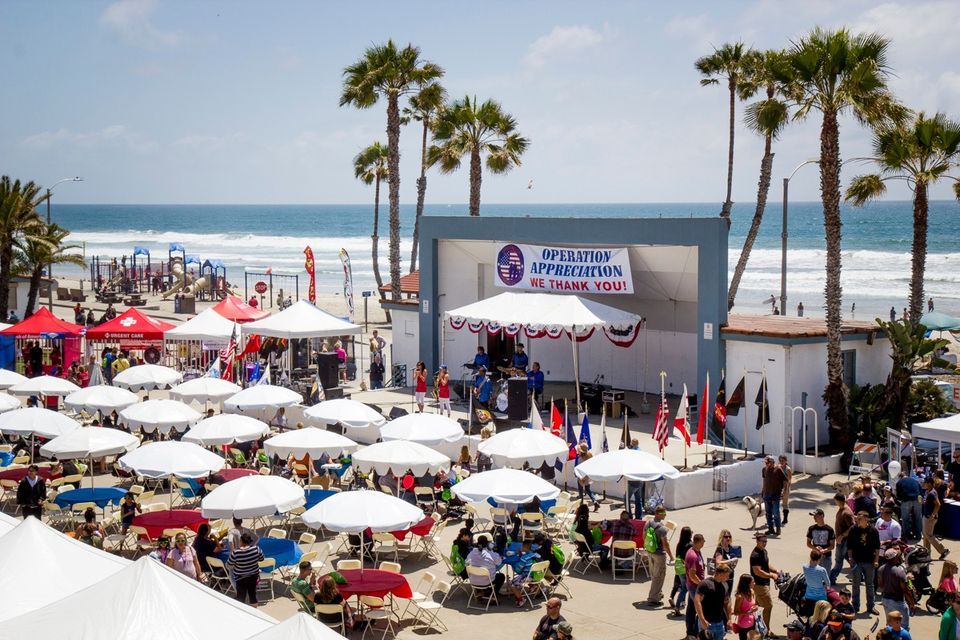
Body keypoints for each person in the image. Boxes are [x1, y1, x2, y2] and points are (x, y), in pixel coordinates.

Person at [848, 510, 882, 615]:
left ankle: (871, 607)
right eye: (857, 518)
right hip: (857, 561)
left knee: (870, 585)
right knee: (855, 585)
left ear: (866, 519)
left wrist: (876, 560)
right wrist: (850, 559)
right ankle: (855, 606)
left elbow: (877, 547)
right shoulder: (853, 529)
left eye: (860, 518)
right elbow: (849, 546)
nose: (858, 520)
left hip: (869, 562)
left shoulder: (873, 531)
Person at [750, 532, 778, 633]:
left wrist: (775, 571)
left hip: (765, 583)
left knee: (756, 606)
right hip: (759, 585)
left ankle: (754, 627)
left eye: (766, 541)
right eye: (762, 541)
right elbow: (757, 571)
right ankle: (767, 630)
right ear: (757, 541)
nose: (765, 543)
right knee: (768, 605)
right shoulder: (755, 555)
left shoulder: (763, 551)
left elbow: (766, 564)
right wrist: (771, 575)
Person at [878, 547, 912, 631]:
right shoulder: (899, 572)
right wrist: (912, 603)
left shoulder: (880, 569)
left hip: (885, 599)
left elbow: (880, 585)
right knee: (903, 626)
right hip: (897, 601)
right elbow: (905, 590)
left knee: (890, 624)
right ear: (895, 558)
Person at [695, 563, 731, 640]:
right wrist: (702, 620)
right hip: (707, 623)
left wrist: (729, 619)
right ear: (720, 574)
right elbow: (697, 602)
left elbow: (726, 603)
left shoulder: (725, 585)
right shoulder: (705, 584)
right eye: (726, 575)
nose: (728, 578)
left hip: (720, 623)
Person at [229, 532, 264, 607]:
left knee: (241, 598)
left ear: (241, 541)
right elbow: (262, 559)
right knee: (253, 596)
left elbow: (229, 564)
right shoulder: (256, 549)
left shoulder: (236, 552)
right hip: (253, 577)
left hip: (240, 578)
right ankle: (254, 612)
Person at [685, 533, 707, 639]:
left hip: (694, 586)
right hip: (695, 587)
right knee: (700, 609)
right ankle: (695, 632)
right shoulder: (692, 555)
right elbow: (692, 575)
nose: (704, 543)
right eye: (703, 541)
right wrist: (702, 584)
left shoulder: (697, 551)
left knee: (691, 609)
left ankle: (690, 632)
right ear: (698, 542)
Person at [831, 492, 856, 585]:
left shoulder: (846, 512)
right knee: (850, 560)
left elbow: (852, 527)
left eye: (835, 501)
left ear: (839, 501)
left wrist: (841, 536)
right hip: (841, 540)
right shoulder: (841, 509)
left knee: (838, 561)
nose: (835, 502)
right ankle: (860, 576)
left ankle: (831, 578)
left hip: (844, 541)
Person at [573, 503, 609, 567]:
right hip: (589, 548)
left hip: (582, 548)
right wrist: (597, 525)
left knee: (600, 546)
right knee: (606, 548)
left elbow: (590, 524)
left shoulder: (578, 528)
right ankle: (603, 563)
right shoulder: (586, 530)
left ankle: (602, 561)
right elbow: (591, 540)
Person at [923, 476, 950, 559]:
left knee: (929, 536)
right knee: (926, 536)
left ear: (930, 484)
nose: (924, 484)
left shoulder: (932, 493)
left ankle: (943, 551)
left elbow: (938, 504)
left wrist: (933, 514)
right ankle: (926, 554)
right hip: (926, 516)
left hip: (930, 518)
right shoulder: (928, 491)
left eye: (925, 483)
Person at [507, 539, 541, 607]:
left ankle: (520, 599)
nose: (521, 548)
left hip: (528, 576)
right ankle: (533, 586)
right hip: (537, 575)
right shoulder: (535, 555)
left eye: (522, 547)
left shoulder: (524, 558)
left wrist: (514, 568)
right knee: (522, 575)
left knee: (511, 583)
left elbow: (519, 571)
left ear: (525, 547)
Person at [670, 526, 693, 617]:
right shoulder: (690, 545)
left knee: (684, 587)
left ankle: (680, 605)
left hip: (679, 567)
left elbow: (677, 555)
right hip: (685, 568)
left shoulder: (679, 543)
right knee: (685, 588)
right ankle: (678, 606)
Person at [807, 508, 837, 579]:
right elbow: (808, 543)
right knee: (814, 578)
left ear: (822, 516)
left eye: (816, 516)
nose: (814, 518)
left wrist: (824, 550)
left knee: (825, 578)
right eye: (813, 516)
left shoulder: (829, 529)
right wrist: (815, 549)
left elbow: (832, 546)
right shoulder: (811, 528)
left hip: (826, 557)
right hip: (814, 557)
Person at [761, 455, 786, 535]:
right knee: (768, 513)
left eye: (767, 463)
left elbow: (785, 481)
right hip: (766, 494)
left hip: (776, 494)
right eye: (765, 463)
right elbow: (764, 480)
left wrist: (784, 492)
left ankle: (778, 528)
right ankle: (770, 528)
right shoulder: (764, 469)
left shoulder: (778, 469)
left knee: (775, 512)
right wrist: (762, 490)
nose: (766, 464)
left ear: (772, 462)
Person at [802, 549, 830, 614]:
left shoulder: (804, 567)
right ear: (818, 560)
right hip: (821, 598)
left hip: (808, 596)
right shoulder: (822, 570)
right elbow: (828, 583)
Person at [732, 574, 759, 640]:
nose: (754, 583)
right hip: (743, 625)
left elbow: (755, 604)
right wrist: (747, 612)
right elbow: (735, 612)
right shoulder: (740, 596)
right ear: (747, 584)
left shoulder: (752, 592)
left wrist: (756, 607)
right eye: (752, 582)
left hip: (753, 622)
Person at [575, 443, 600, 511]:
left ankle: (581, 507)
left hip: (581, 476)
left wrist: (579, 477)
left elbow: (579, 468)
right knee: (588, 490)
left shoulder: (580, 459)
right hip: (587, 476)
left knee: (580, 492)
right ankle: (595, 502)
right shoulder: (589, 456)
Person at [712, 528, 737, 594]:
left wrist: (735, 562)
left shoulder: (731, 548)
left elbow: (733, 564)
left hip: (730, 576)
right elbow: (718, 562)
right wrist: (731, 560)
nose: (728, 538)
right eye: (726, 537)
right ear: (722, 538)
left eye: (729, 537)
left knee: (728, 596)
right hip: (722, 578)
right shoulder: (720, 549)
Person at [779, 455, 793, 526]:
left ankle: (785, 518)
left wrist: (785, 490)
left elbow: (789, 480)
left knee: (785, 503)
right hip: (778, 488)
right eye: (780, 460)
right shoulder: (778, 467)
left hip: (786, 488)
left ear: (786, 461)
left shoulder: (788, 469)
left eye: (783, 461)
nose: (781, 462)